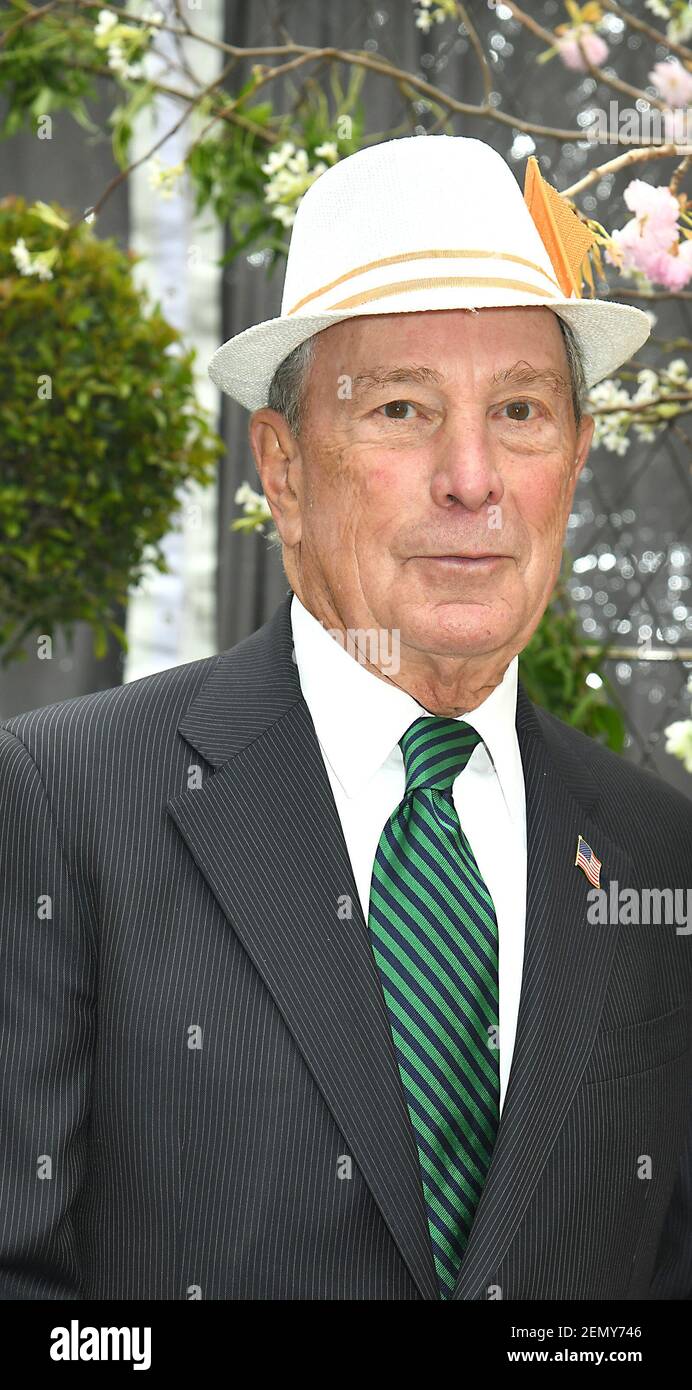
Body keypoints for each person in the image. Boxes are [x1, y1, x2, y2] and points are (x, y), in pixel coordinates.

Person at [1, 135, 690, 1301]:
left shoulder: (654, 851)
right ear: (281, 467)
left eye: (518, 409)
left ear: (573, 458)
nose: (469, 478)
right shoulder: (63, 800)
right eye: (403, 409)